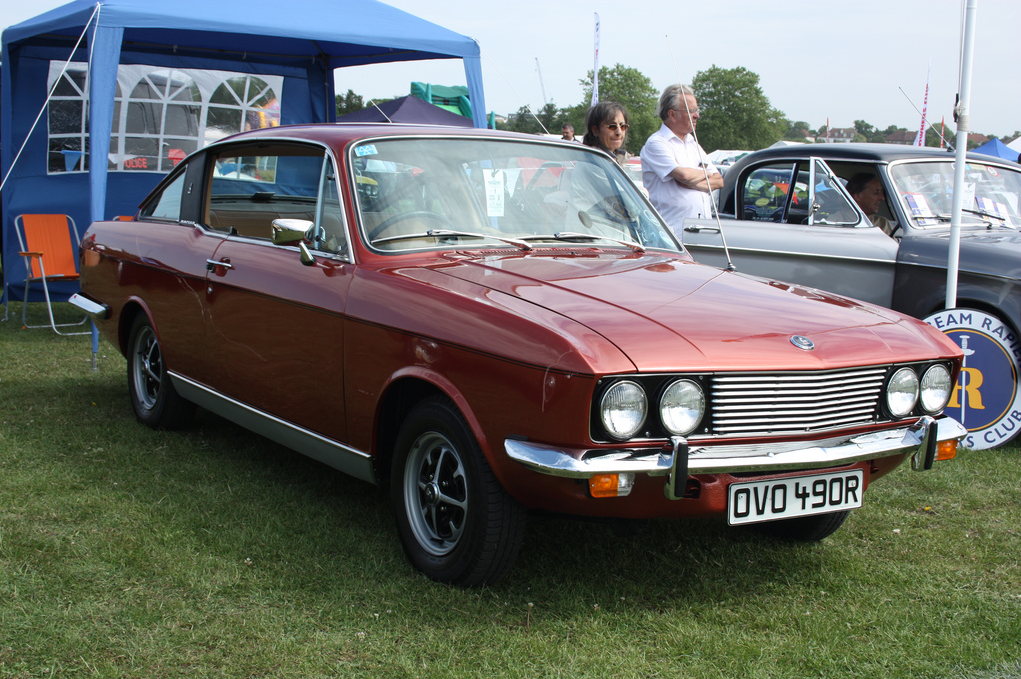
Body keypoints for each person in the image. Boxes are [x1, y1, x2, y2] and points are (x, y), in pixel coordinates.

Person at [640, 84, 723, 235]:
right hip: (672, 236)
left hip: (702, 232)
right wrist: (701, 174)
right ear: (672, 114)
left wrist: (690, 179)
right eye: (691, 111)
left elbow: (719, 180)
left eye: (697, 110)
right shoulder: (657, 143)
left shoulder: (693, 144)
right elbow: (683, 175)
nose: (697, 115)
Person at [582, 101, 631, 166]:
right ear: (595, 130)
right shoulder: (593, 162)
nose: (619, 132)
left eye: (623, 126)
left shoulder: (617, 158)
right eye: (612, 126)